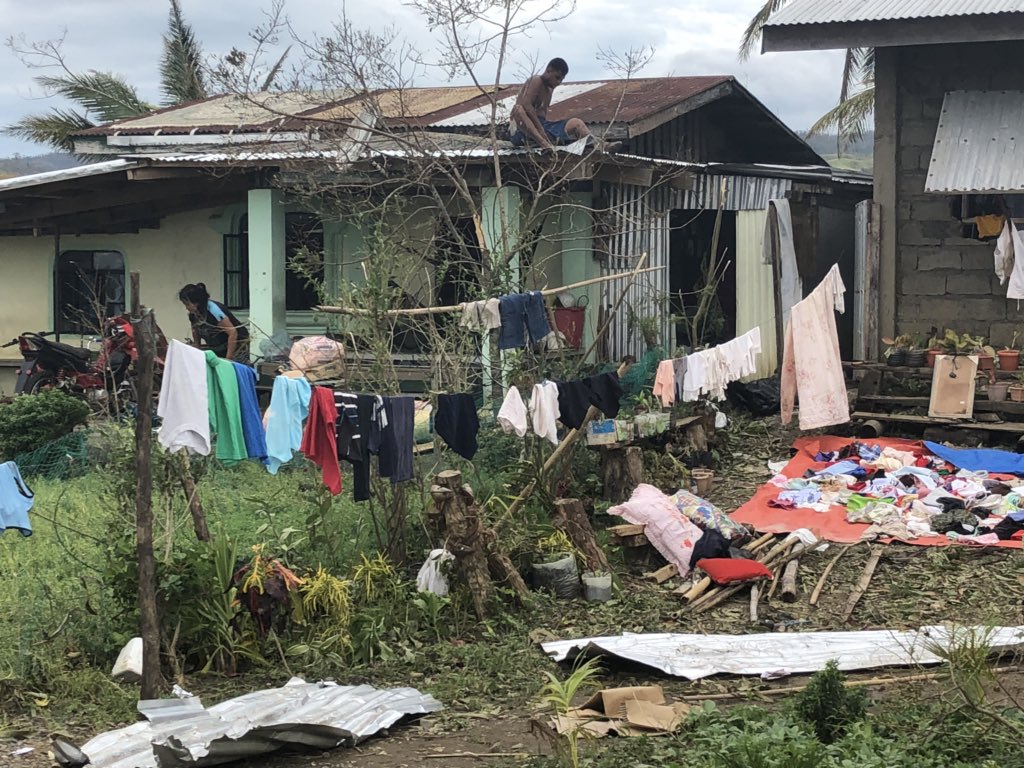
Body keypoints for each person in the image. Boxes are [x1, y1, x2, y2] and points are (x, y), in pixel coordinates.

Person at [509, 58, 620, 152]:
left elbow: (543, 115)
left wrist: (543, 129)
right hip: (522, 130)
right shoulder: (536, 80)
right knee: (518, 110)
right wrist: (540, 130)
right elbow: (526, 106)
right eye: (557, 78)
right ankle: (544, 144)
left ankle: (601, 145)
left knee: (576, 123)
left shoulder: (549, 90)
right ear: (549, 71)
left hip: (542, 127)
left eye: (561, 80)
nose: (559, 82)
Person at [178, 283, 250, 361]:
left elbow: (233, 332)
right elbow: (195, 331)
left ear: (196, 302)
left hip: (236, 348)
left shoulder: (214, 311)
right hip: (217, 348)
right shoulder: (194, 314)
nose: (186, 308)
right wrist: (197, 350)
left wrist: (228, 359)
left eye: (187, 304)